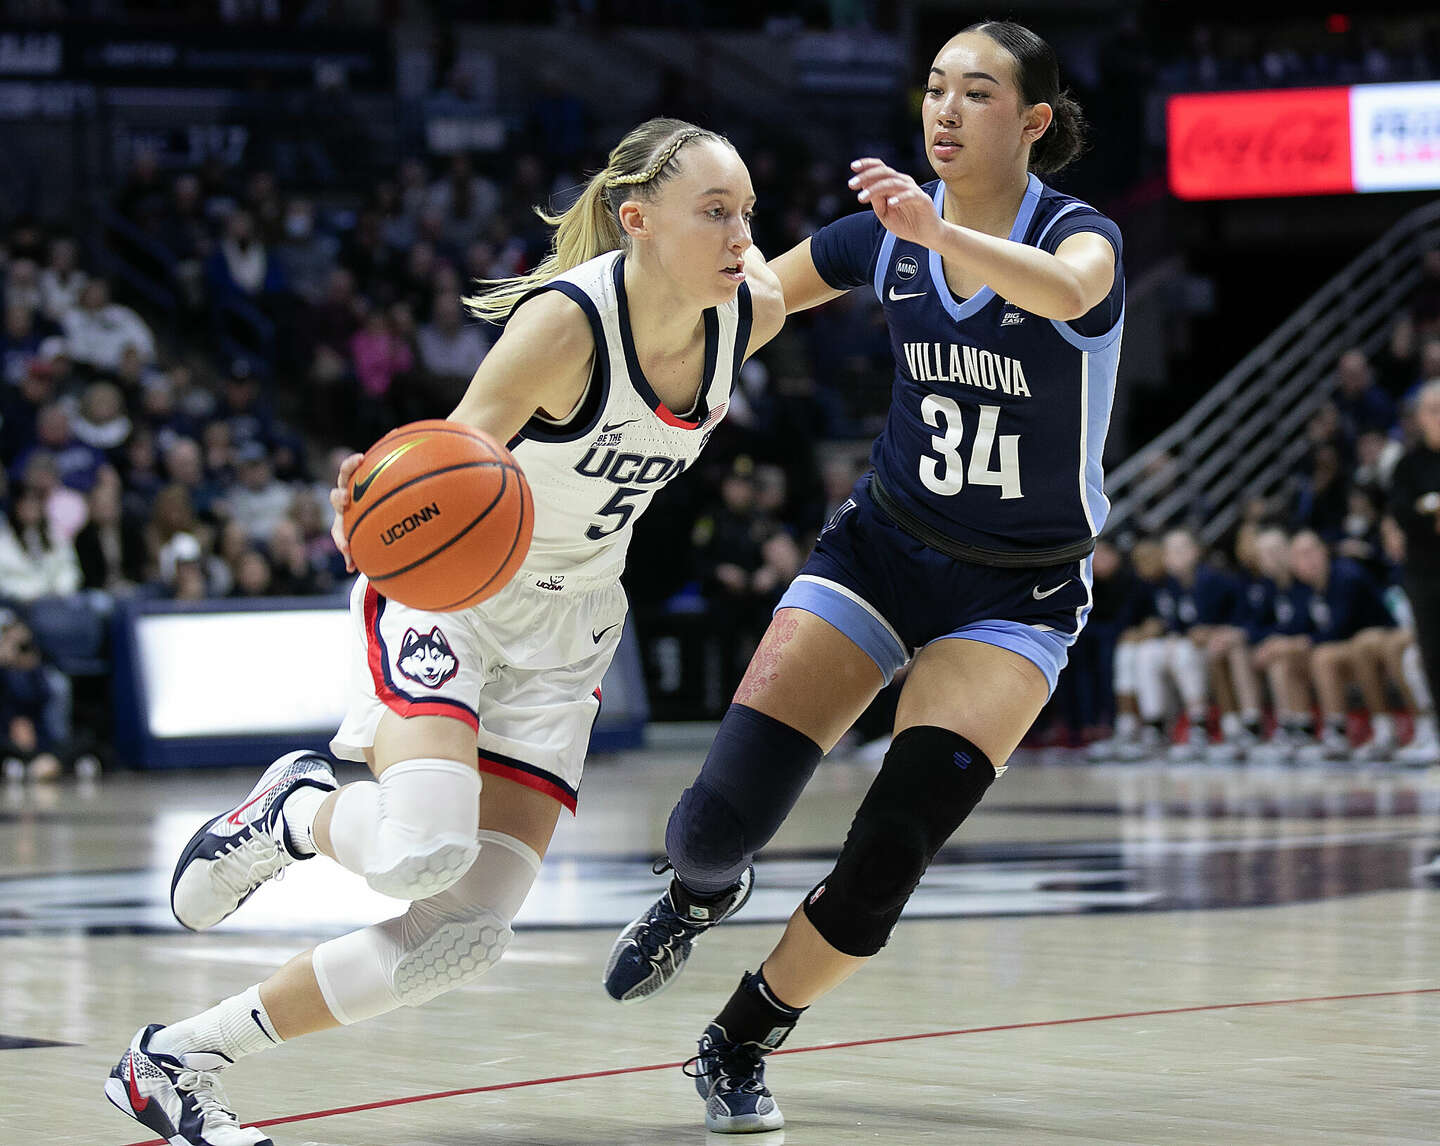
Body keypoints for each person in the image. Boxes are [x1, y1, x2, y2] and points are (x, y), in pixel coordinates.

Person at [102, 117, 785, 1146]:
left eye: (747, 213)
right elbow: (456, 457)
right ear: (637, 221)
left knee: (460, 937)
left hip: (572, 636)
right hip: (460, 597)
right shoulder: (565, 328)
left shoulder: (744, 308)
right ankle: (295, 811)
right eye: (717, 213)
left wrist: (929, 230)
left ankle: (174, 1062)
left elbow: (838, 262)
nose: (743, 236)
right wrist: (376, 484)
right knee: (419, 853)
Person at [604, 21, 1124, 1134]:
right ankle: (702, 890)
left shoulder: (1082, 241)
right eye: (934, 87)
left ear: (1031, 120)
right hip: (881, 550)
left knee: (890, 852)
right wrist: (635, 351)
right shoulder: (883, 233)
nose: (944, 109)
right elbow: (756, 306)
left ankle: (741, 1036)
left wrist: (942, 235)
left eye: (977, 93)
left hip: (1018, 592)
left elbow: (1069, 296)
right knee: (710, 828)